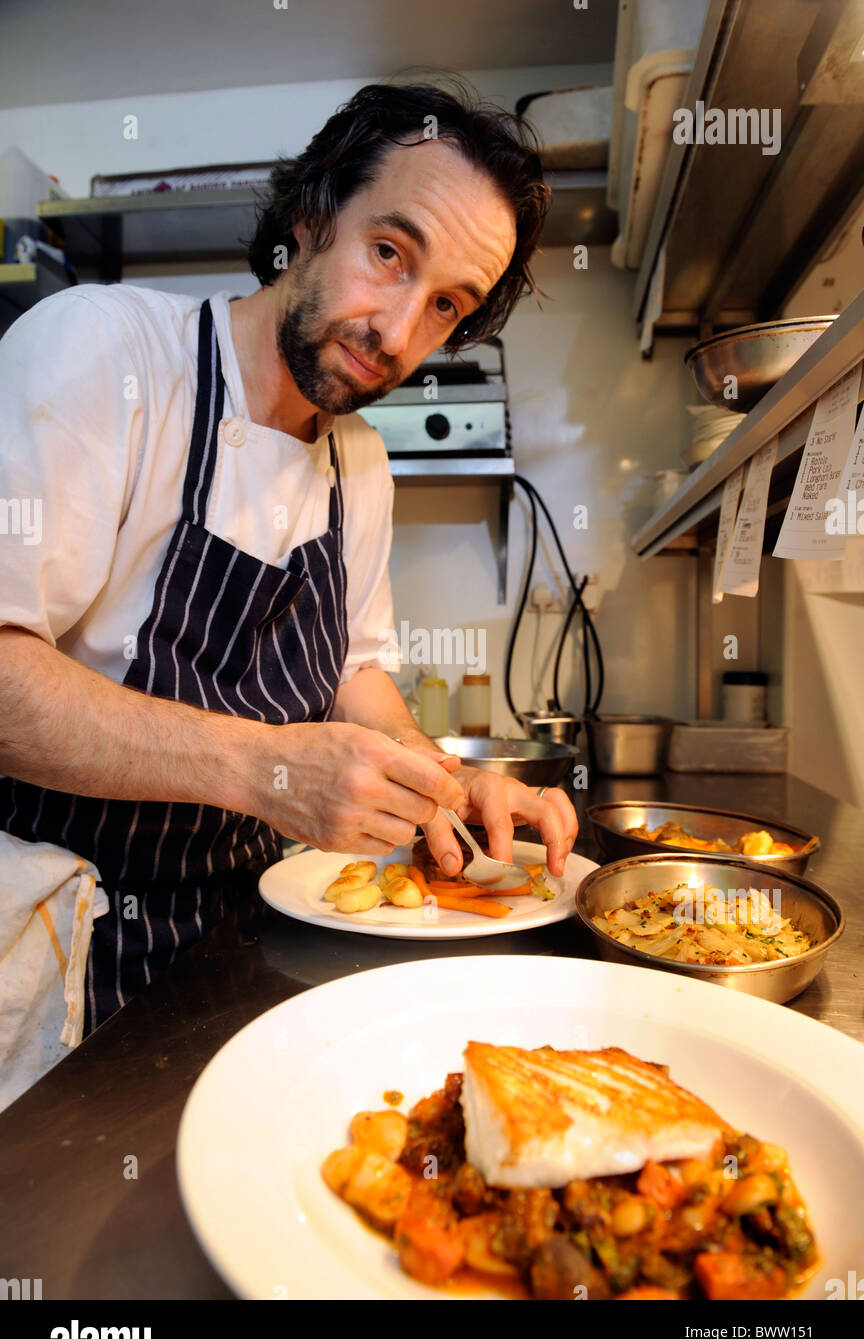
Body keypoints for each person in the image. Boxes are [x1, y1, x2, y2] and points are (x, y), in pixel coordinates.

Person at [0, 78, 577, 1033]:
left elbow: (355, 679)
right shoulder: (105, 355)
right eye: (389, 254)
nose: (396, 333)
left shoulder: (362, 462)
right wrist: (267, 769)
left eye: (445, 307)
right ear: (310, 218)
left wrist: (446, 780)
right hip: (65, 951)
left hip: (257, 948)